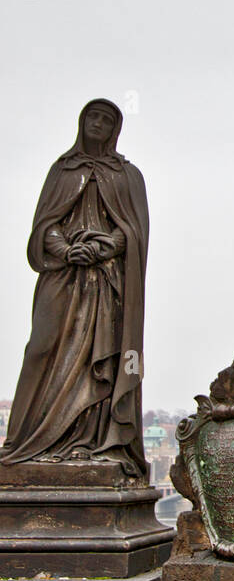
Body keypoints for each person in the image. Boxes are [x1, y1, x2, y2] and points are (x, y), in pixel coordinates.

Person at [1, 99, 149, 477]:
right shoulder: (63, 170)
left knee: (101, 360)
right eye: (92, 117)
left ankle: (93, 441)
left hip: (108, 283)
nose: (97, 124)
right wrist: (65, 249)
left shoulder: (128, 175)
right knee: (41, 349)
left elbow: (134, 231)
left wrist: (104, 247)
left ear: (115, 129)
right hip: (63, 276)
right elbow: (45, 223)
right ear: (81, 122)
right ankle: (25, 441)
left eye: (106, 119)